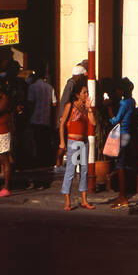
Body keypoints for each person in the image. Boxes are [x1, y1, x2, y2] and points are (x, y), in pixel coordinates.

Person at [58, 76, 95, 211]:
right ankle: (67, 200)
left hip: (83, 142)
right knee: (71, 171)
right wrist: (62, 141)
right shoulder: (70, 106)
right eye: (84, 92)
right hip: (73, 142)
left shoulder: (85, 108)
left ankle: (84, 199)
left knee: (84, 170)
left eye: (87, 92)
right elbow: (62, 124)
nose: (86, 95)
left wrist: (89, 109)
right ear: (77, 94)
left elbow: (94, 123)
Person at [108, 77, 136, 208]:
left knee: (120, 166)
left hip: (122, 134)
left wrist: (108, 108)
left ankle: (122, 196)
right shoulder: (131, 101)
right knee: (122, 164)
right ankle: (122, 195)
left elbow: (116, 120)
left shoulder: (124, 104)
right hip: (128, 133)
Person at [26, 70, 56, 186]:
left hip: (35, 121)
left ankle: (38, 178)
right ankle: (44, 175)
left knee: (36, 150)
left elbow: (30, 104)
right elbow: (54, 104)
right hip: (46, 121)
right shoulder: (50, 87)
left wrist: (28, 119)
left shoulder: (32, 88)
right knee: (44, 148)